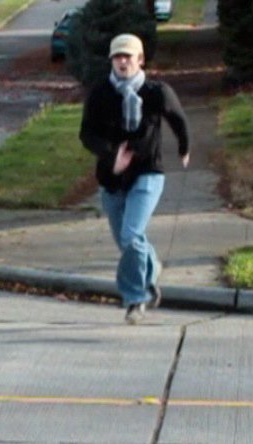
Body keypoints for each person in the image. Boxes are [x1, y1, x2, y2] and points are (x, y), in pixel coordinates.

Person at [80, 33, 190, 324]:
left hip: (147, 173)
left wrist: (184, 147)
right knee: (127, 241)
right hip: (112, 179)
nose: (123, 61)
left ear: (140, 60)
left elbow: (178, 119)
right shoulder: (101, 93)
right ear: (112, 61)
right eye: (118, 56)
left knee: (131, 235)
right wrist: (111, 155)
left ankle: (134, 299)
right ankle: (151, 269)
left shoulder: (157, 92)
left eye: (128, 56)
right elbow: (87, 134)